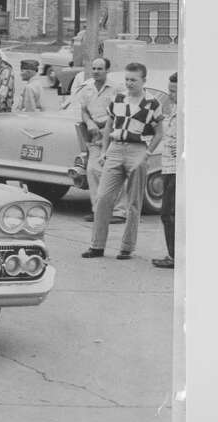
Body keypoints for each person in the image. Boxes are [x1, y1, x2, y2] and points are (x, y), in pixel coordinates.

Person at [82, 62, 165, 260]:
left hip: (137, 150)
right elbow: (110, 124)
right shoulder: (118, 98)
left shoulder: (152, 103)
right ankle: (97, 246)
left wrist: (146, 154)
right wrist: (104, 151)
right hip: (115, 149)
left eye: (133, 80)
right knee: (103, 198)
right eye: (127, 79)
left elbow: (159, 133)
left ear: (143, 80)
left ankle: (127, 247)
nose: (129, 83)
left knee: (133, 203)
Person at [72, 56, 127, 225]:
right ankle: (98, 210)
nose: (96, 72)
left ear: (107, 70)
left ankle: (119, 211)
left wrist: (103, 124)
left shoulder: (116, 88)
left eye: (100, 69)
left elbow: (121, 111)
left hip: (113, 136)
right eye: (94, 69)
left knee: (114, 173)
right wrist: (89, 123)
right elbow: (83, 110)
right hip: (94, 136)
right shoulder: (87, 88)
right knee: (93, 171)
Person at [153, 72, 178, 269]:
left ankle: (174, 256)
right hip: (167, 167)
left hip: (177, 170)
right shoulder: (174, 110)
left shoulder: (187, 113)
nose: (171, 94)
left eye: (175, 91)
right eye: (169, 90)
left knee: (168, 213)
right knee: (170, 213)